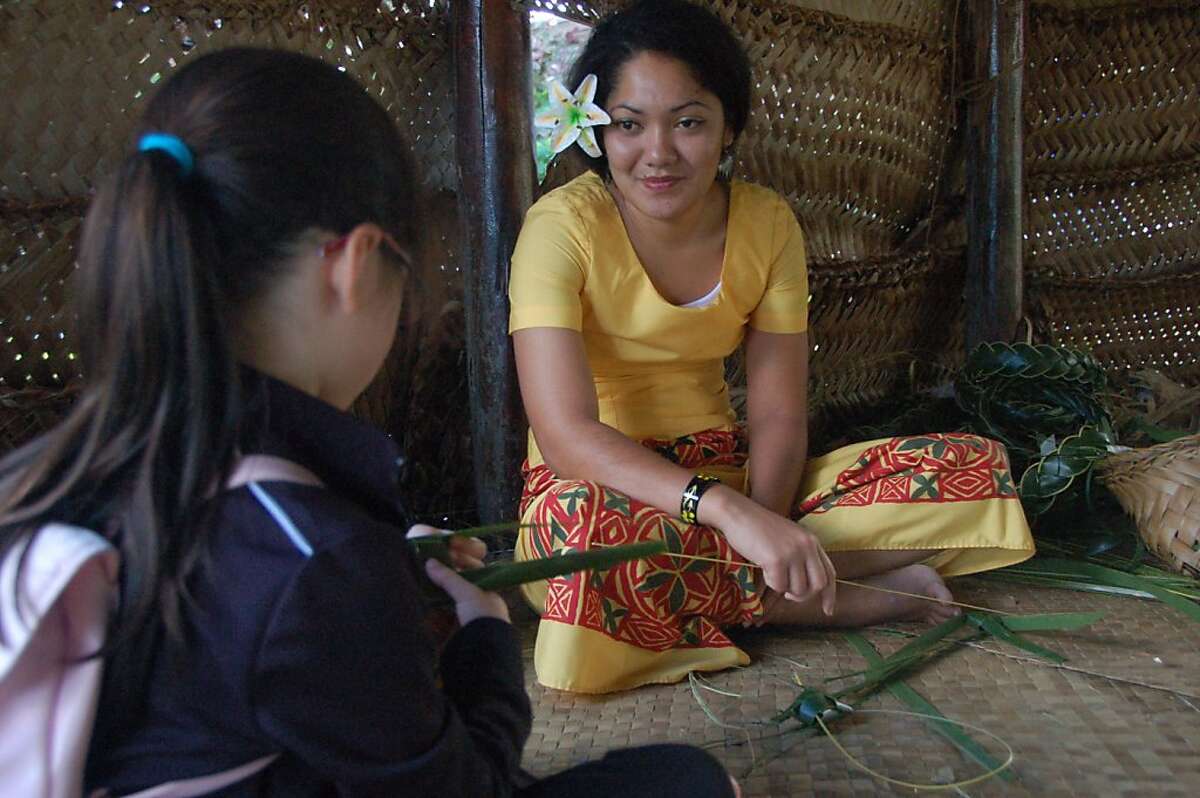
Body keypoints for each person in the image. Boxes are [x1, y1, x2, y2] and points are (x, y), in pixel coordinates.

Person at [0, 48, 738, 797]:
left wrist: (388, 576)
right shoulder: (317, 556)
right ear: (355, 265)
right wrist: (483, 632)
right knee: (688, 783)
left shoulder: (45, 478)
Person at [510, 0, 1036, 694]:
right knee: (582, 546)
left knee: (971, 470)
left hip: (729, 476)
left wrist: (764, 516)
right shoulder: (560, 227)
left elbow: (779, 413)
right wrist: (730, 517)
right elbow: (566, 435)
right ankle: (828, 598)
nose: (658, 153)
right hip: (601, 494)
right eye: (630, 125)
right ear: (599, 129)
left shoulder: (766, 223)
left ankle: (734, 591)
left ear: (729, 127)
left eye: (689, 122)